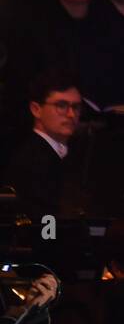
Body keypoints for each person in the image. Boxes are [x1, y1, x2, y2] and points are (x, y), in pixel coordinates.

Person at [1, 70, 84, 221]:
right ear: (36, 109)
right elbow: (44, 224)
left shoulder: (75, 155)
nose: (71, 114)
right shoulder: (30, 161)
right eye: (61, 105)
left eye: (76, 107)